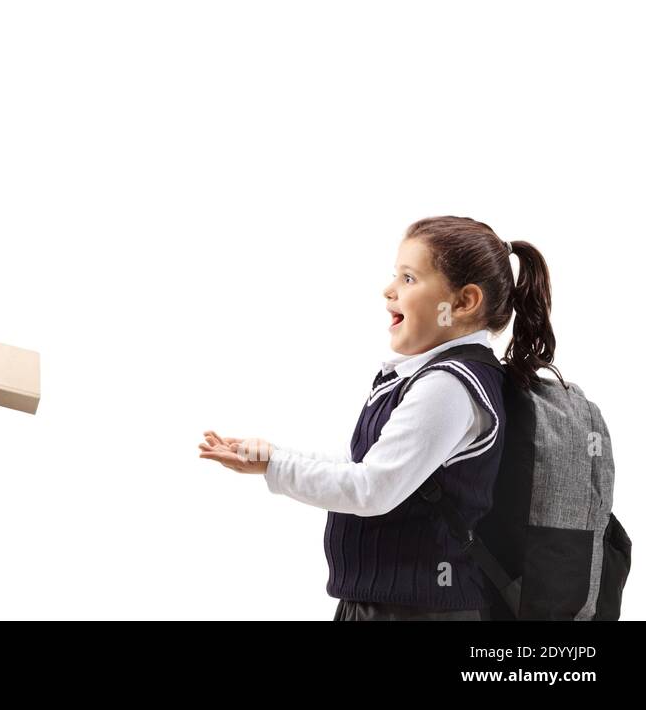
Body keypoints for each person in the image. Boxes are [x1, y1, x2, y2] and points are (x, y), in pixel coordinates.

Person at [199, 215, 563, 620]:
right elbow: (371, 469)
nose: (388, 290)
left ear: (463, 302)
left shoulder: (448, 386)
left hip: (415, 611)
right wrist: (273, 458)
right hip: (399, 605)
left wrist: (275, 466)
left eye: (409, 278)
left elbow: (372, 489)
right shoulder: (428, 378)